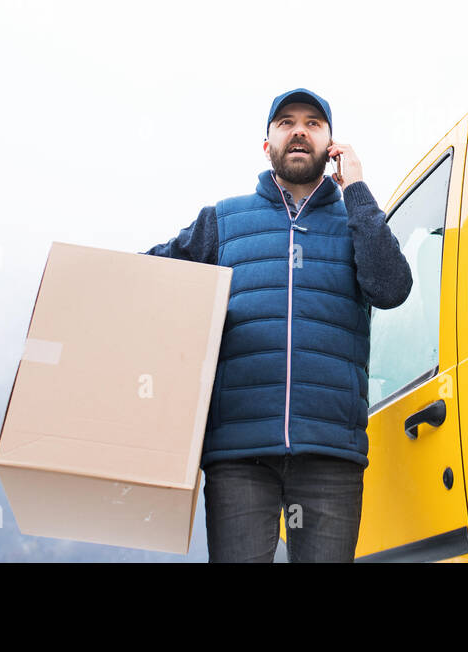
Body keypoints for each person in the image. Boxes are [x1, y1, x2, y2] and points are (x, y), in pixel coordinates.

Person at [142, 87, 412, 562]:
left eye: (312, 122)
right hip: (239, 457)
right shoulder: (224, 221)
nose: (299, 130)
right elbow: (151, 281)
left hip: (330, 453)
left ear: (331, 145)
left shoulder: (357, 220)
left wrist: (359, 191)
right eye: (286, 122)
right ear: (267, 144)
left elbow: (391, 288)